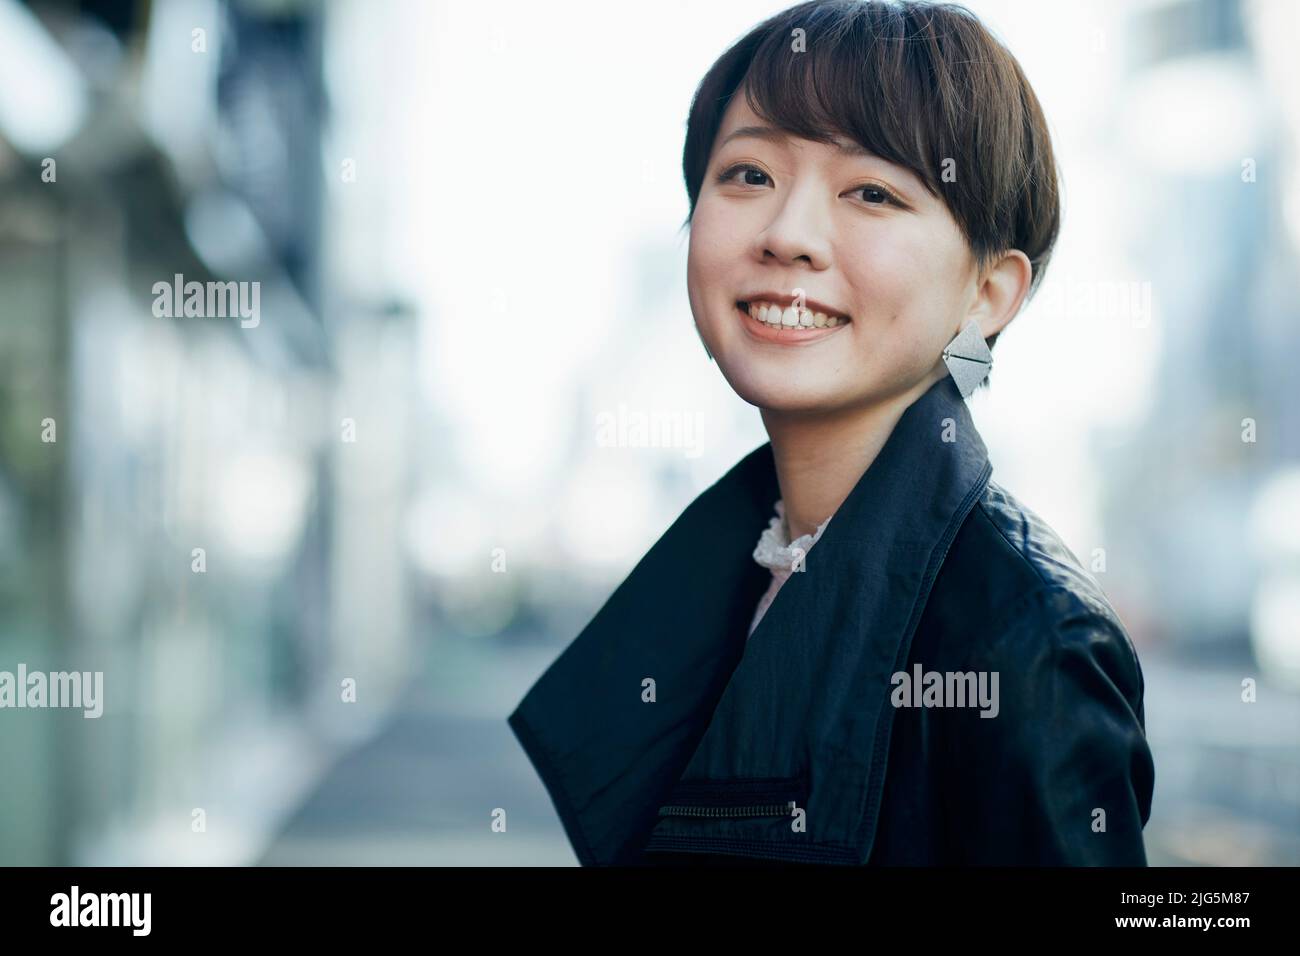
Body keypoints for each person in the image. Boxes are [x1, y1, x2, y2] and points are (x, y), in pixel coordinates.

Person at [508, 0, 1155, 866]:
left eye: (872, 192)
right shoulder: (742, 571)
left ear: (988, 295)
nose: (787, 235)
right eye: (747, 175)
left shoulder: (1026, 646)